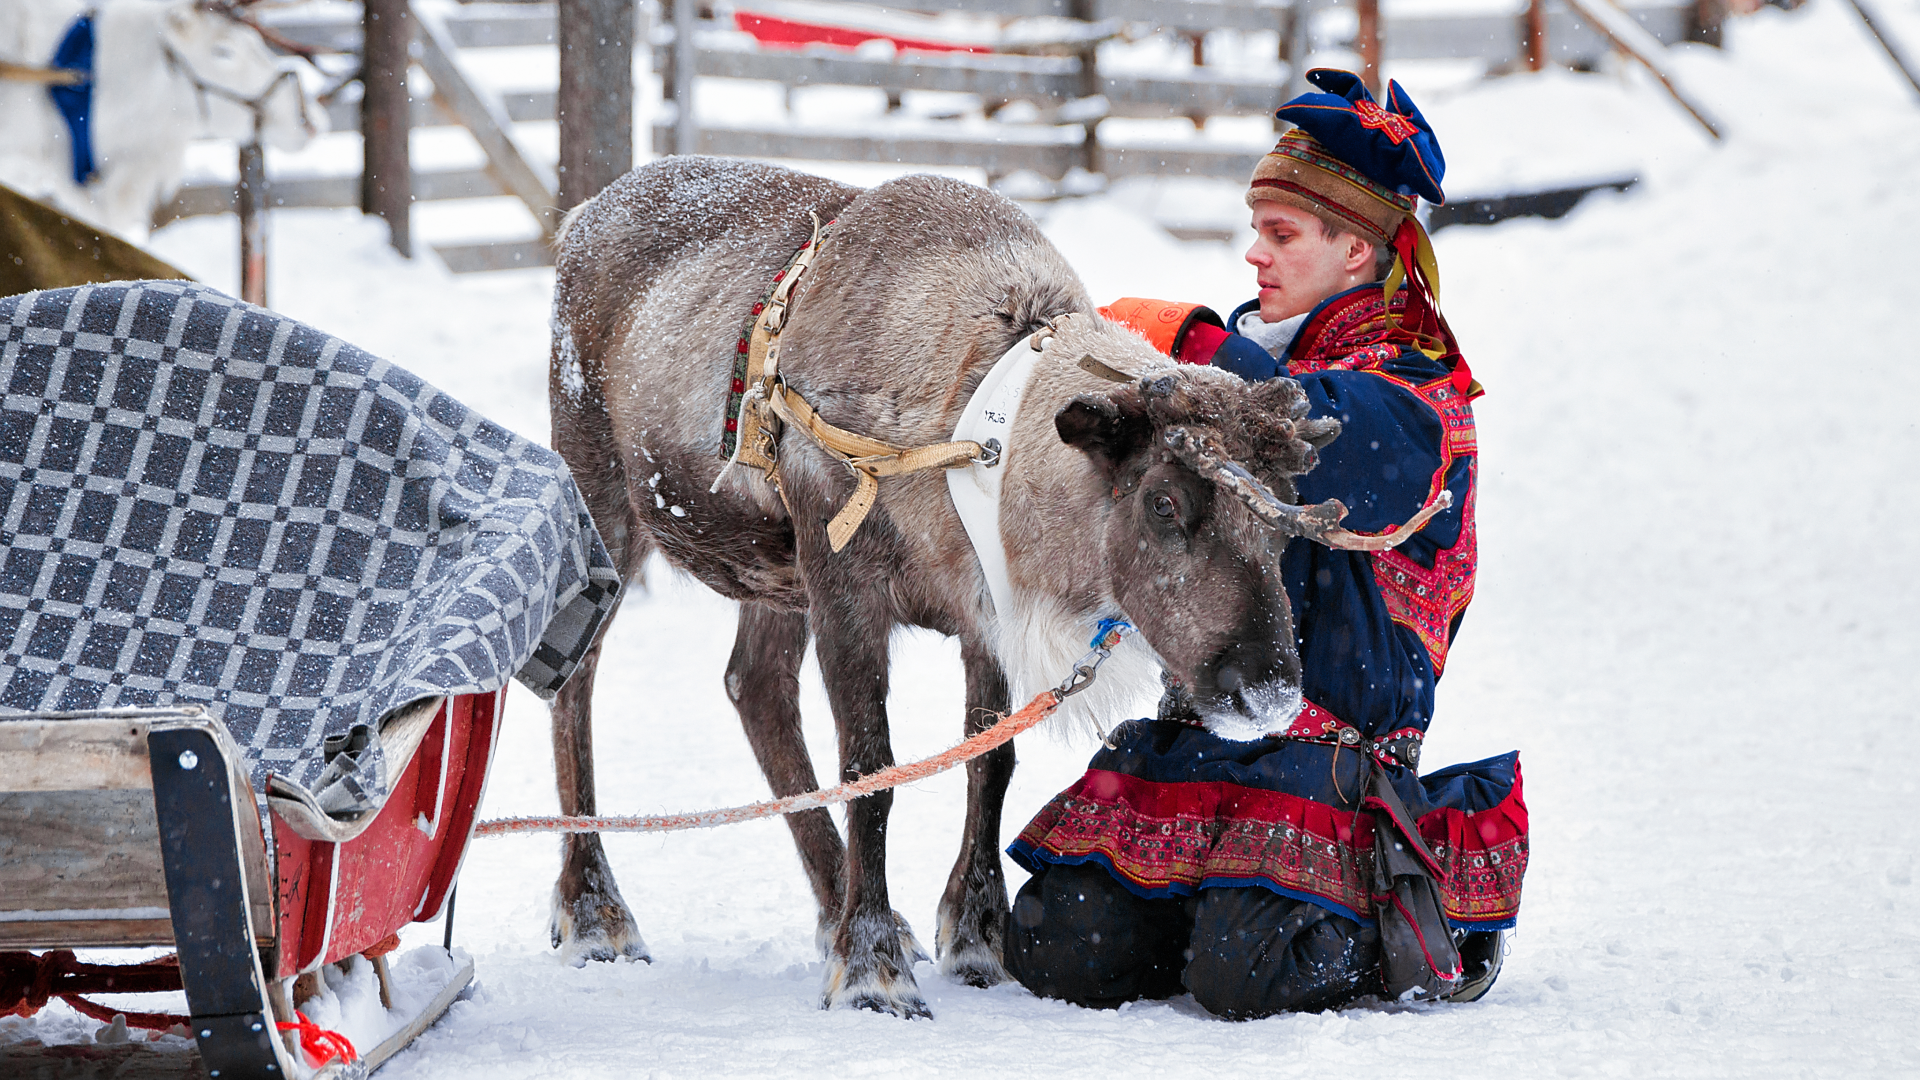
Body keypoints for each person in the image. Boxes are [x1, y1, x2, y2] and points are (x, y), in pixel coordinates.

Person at [1003, 70, 1527, 1018]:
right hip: (1210, 726)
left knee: (1247, 977)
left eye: (1282, 235)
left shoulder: (1415, 399)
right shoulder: (1235, 377)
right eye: (1256, 229)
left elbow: (1300, 428)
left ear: (1358, 251)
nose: (1254, 255)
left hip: (1332, 760)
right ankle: (1208, 904)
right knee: (1056, 950)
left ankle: (1433, 903)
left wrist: (1189, 342)